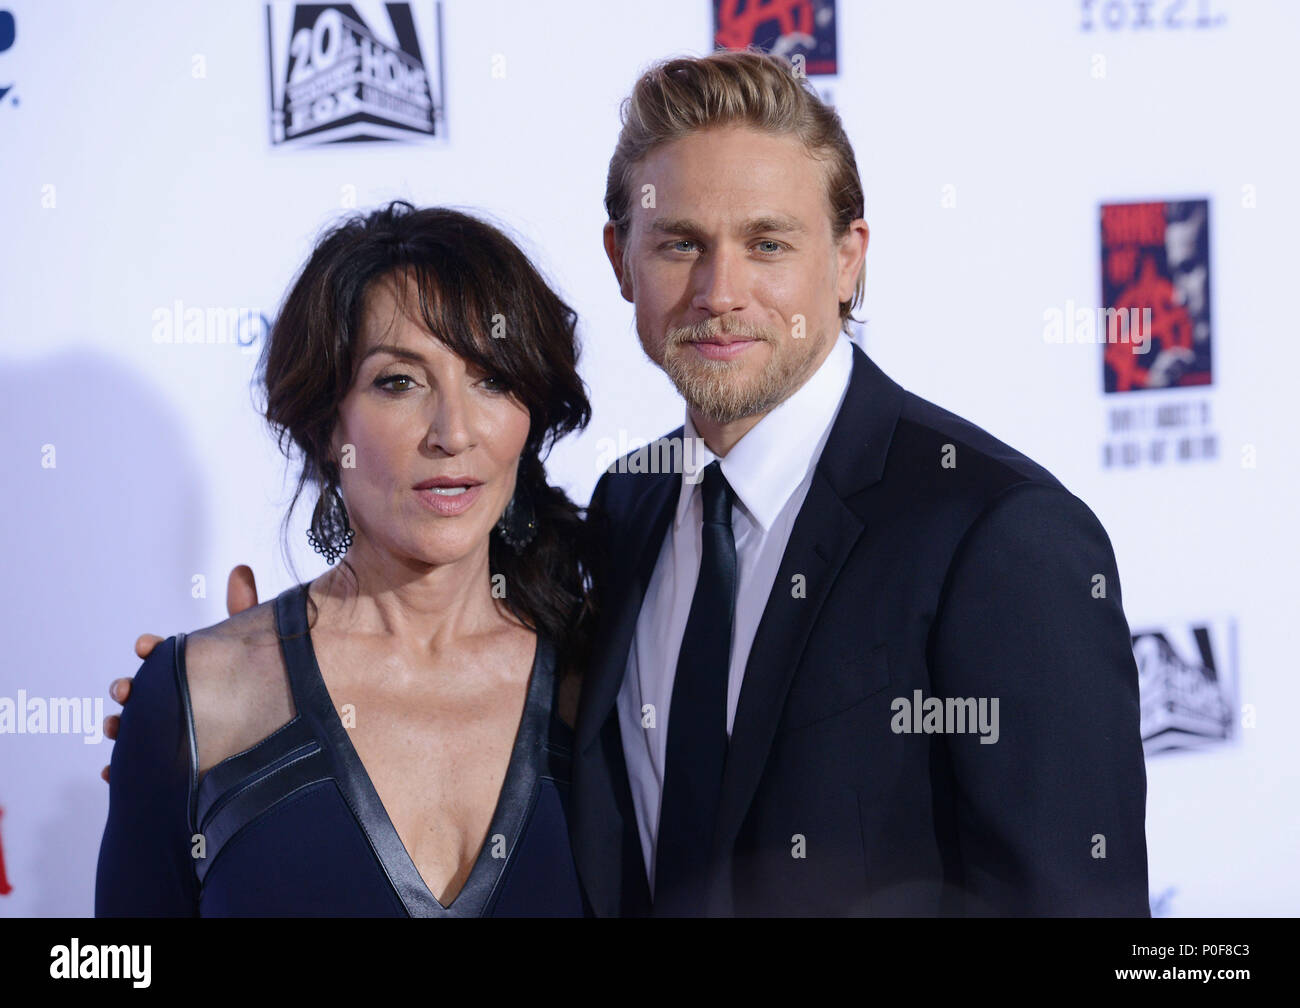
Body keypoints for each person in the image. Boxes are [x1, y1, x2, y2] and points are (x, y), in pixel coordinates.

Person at [107, 50, 1150, 917]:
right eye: (680, 244)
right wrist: (206, 713)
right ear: (621, 260)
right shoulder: (631, 518)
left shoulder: (996, 534)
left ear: (848, 260)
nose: (720, 292)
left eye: (768, 244)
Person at [96, 202, 594, 917]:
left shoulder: (605, 684)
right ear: (328, 424)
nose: (454, 431)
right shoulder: (201, 696)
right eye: (399, 381)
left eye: (491, 379)